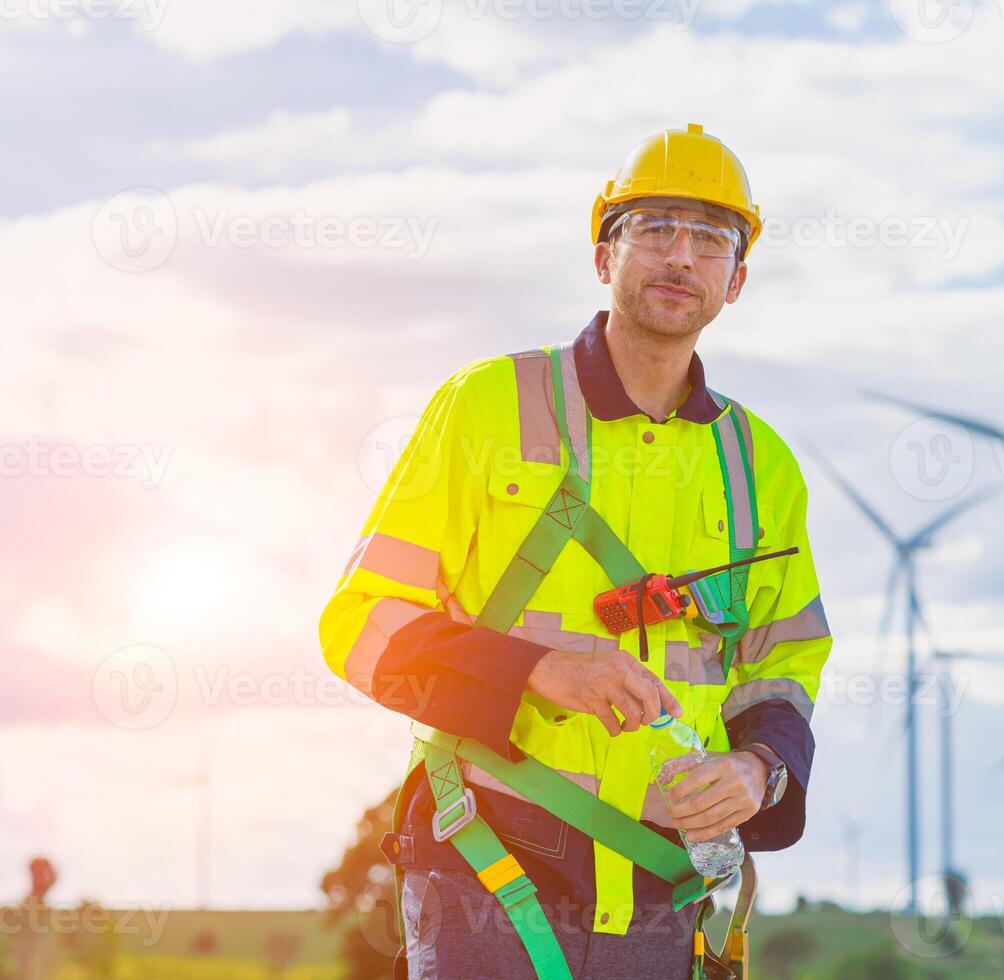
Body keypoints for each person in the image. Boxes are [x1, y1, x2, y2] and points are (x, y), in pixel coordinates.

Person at [318, 123, 831, 978]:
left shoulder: (761, 463)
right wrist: (534, 671)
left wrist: (760, 768)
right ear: (604, 255)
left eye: (711, 239)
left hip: (667, 885)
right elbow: (361, 624)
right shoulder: (486, 405)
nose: (681, 256)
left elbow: (786, 662)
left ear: (736, 280)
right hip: (488, 861)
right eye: (654, 227)